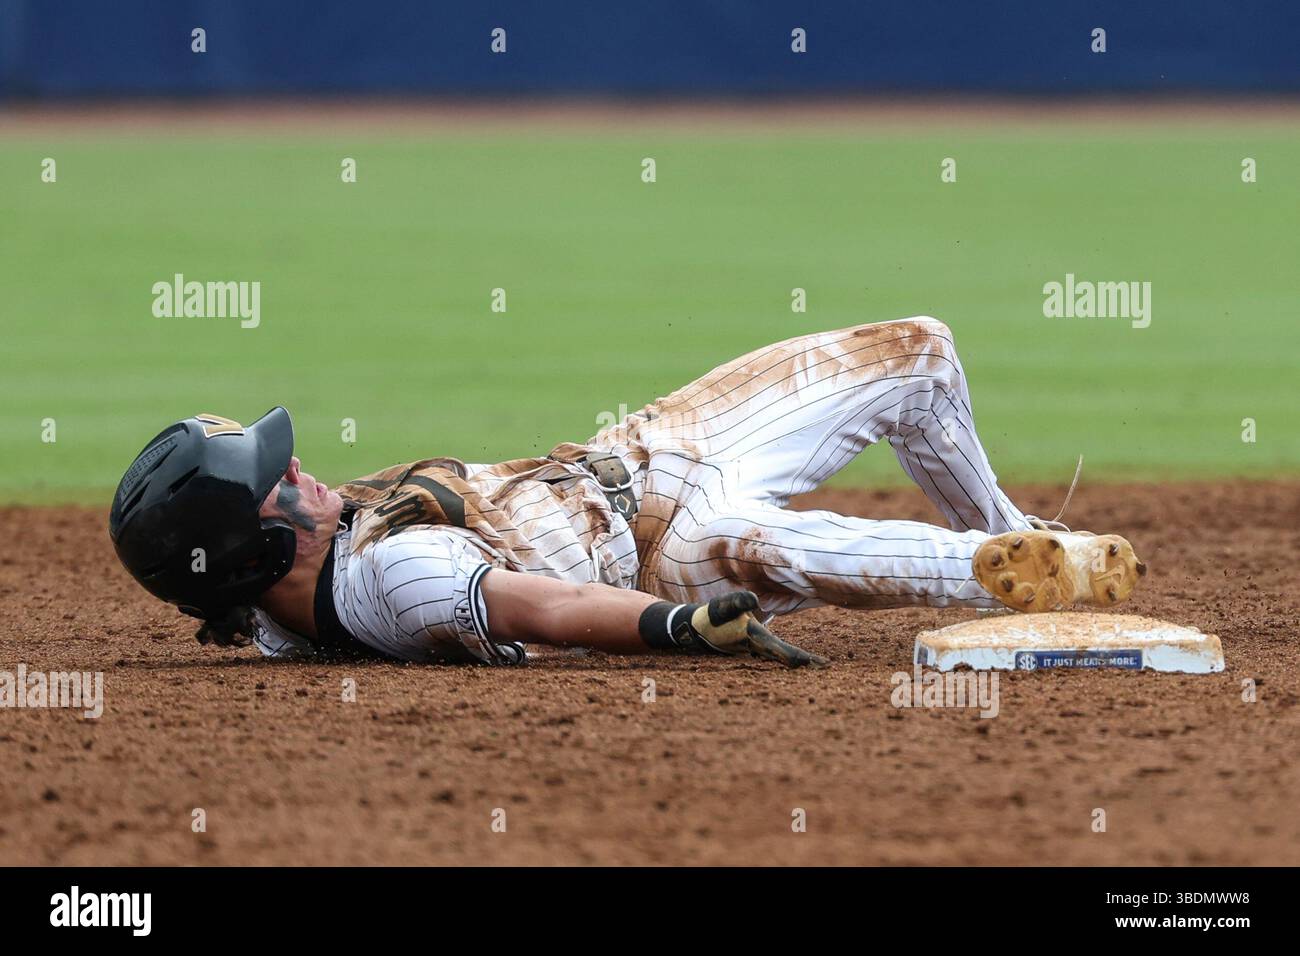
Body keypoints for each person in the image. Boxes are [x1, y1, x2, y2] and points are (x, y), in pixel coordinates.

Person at [109, 317, 1146, 669]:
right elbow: (548, 605)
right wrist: (680, 626)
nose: (295, 468)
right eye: (271, 484)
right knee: (768, 546)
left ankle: (1019, 538)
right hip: (663, 549)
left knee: (919, 352)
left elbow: (242, 608)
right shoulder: (392, 576)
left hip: (650, 446)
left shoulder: (278, 599)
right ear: (251, 550)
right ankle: (1023, 576)